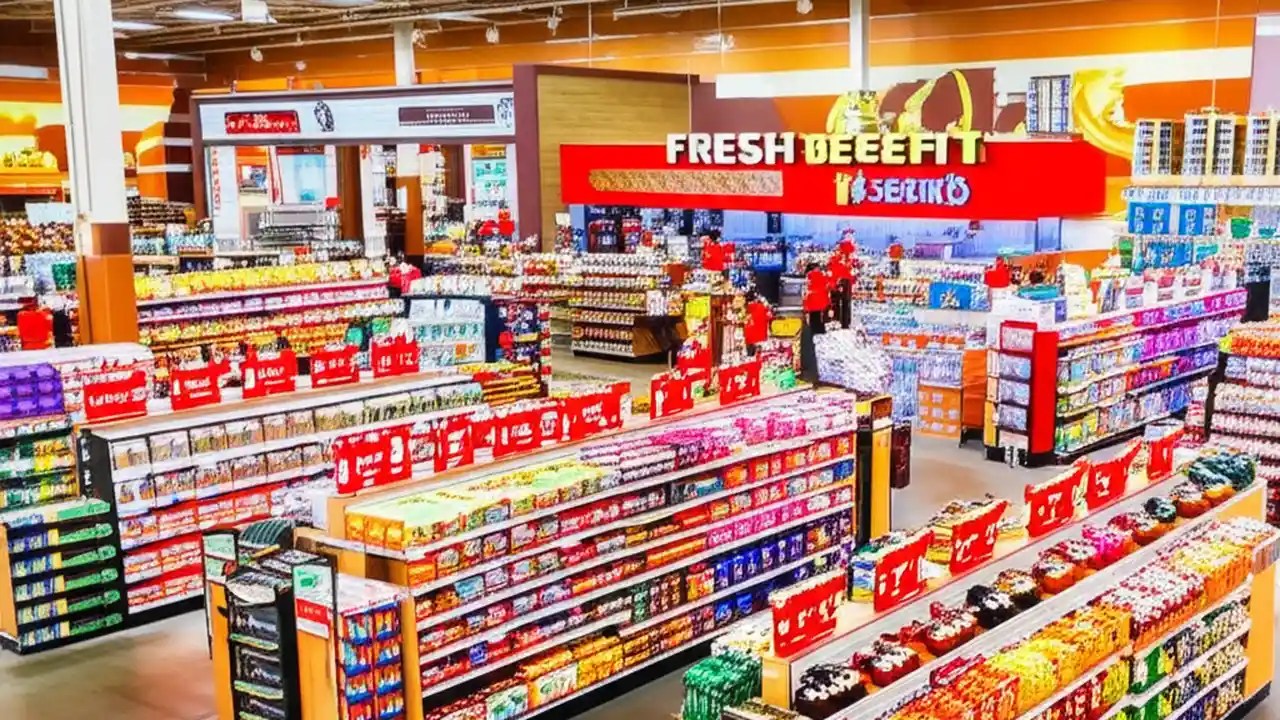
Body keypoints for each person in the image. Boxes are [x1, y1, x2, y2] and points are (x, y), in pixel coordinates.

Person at [744, 291, 772, 356]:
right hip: (754, 310)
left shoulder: (763, 339)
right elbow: (747, 325)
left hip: (762, 310)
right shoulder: (747, 338)